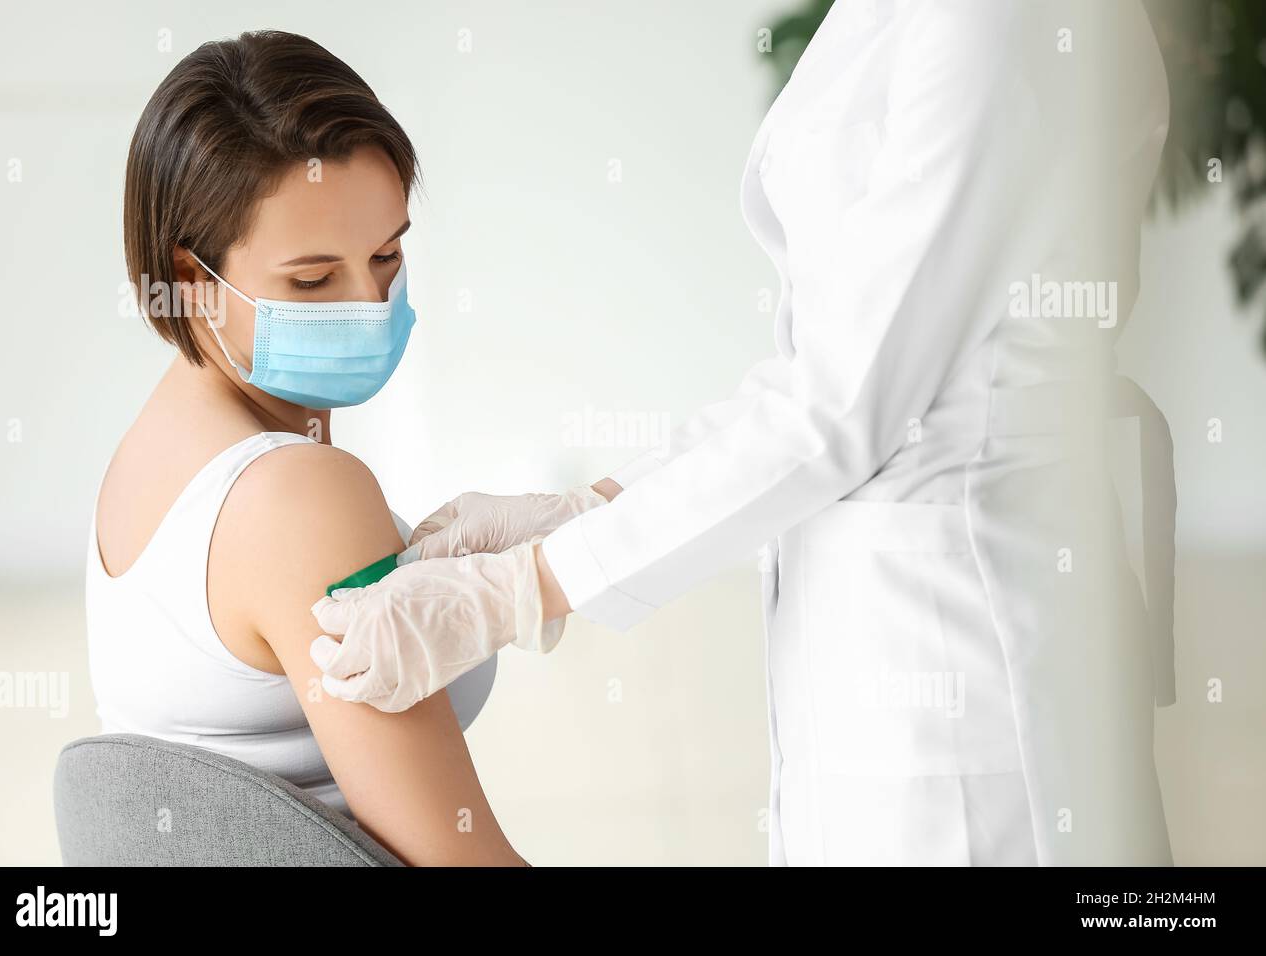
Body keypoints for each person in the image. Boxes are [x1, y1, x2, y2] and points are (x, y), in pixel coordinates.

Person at [312, 0, 1179, 865]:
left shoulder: (997, 22)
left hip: (967, 644)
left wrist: (525, 586)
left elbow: (846, 402)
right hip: (879, 627)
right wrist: (586, 509)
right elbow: (820, 373)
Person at [87, 30, 541, 866]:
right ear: (191, 279)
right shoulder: (298, 494)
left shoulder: (154, 449)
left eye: (386, 254)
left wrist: (572, 542)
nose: (370, 303)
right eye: (312, 280)